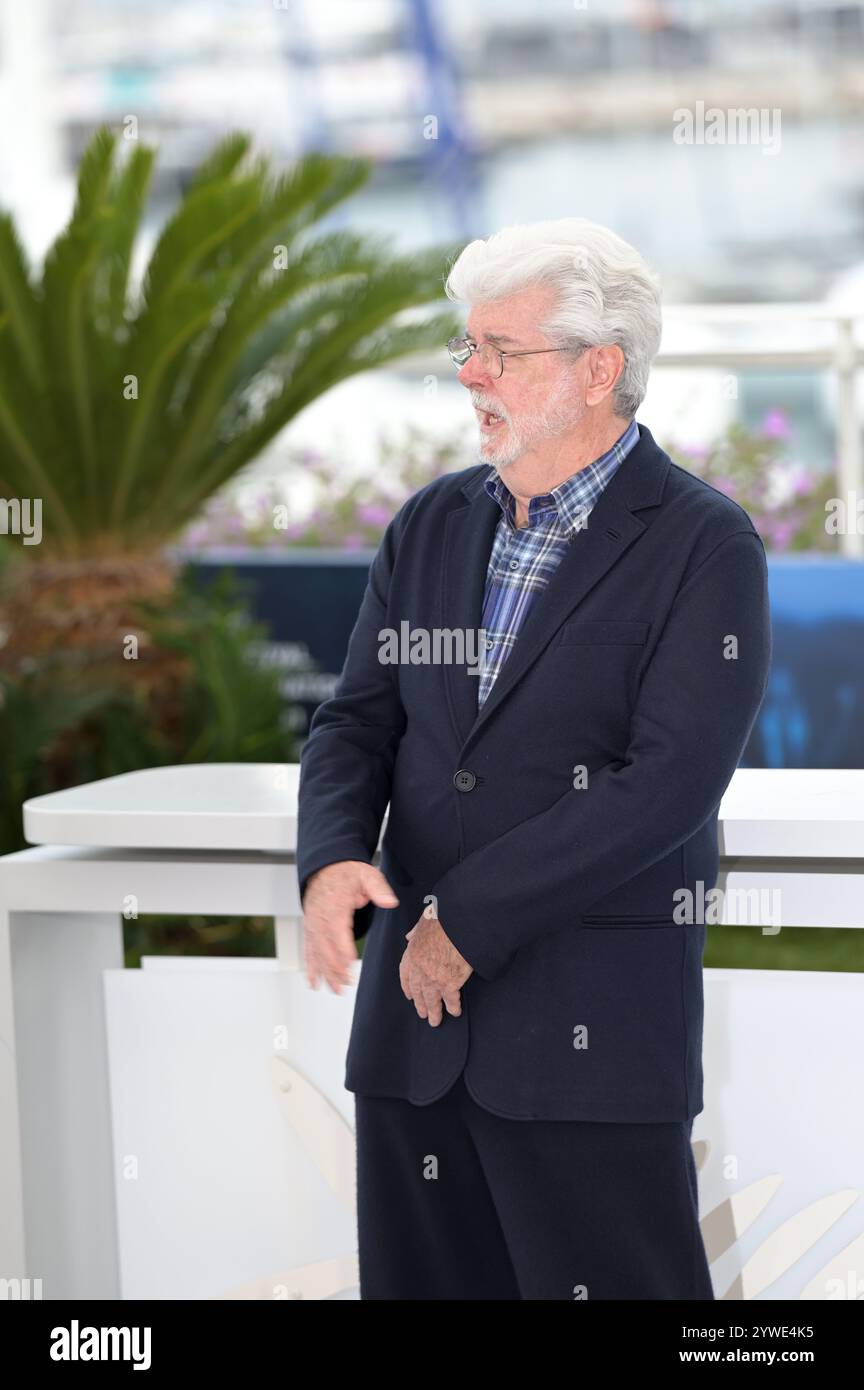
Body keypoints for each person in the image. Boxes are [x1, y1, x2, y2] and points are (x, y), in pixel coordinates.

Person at [296, 217, 772, 1300]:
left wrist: (466, 919)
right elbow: (355, 723)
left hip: (592, 1049)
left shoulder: (705, 545)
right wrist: (328, 859)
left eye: (498, 351)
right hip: (412, 1045)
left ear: (599, 368)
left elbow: (668, 784)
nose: (471, 374)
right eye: (468, 348)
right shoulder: (428, 525)